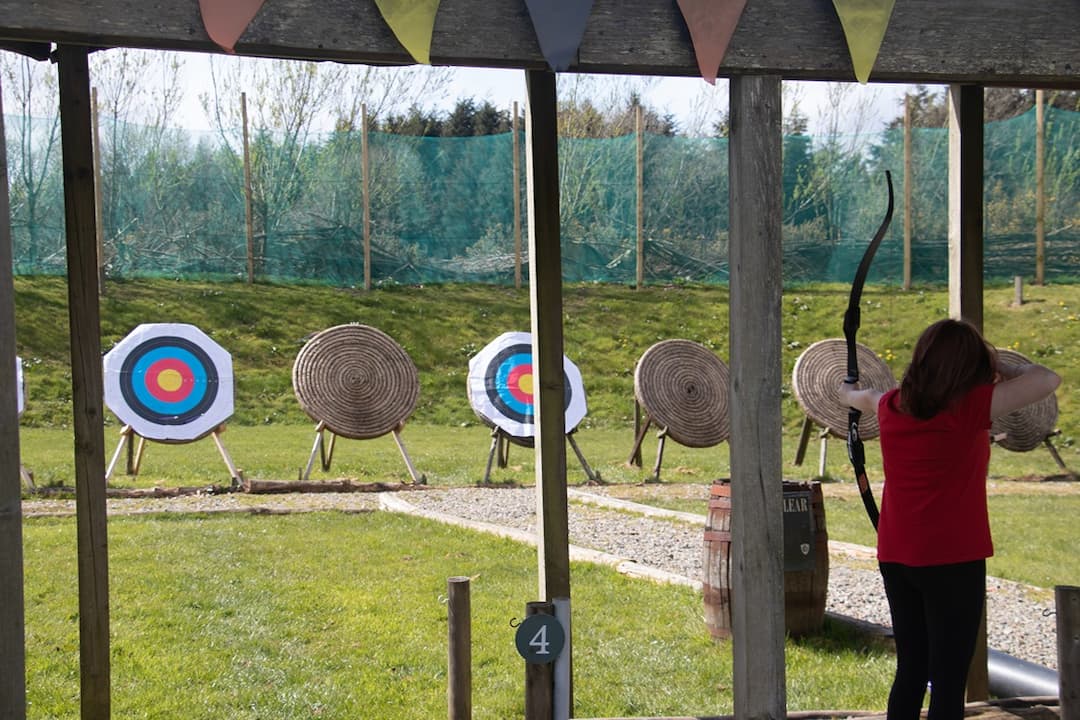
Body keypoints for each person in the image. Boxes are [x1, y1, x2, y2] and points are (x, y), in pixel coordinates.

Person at [837, 318, 1061, 720]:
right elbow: (1046, 379)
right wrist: (998, 363)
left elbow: (856, 396)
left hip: (898, 556)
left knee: (911, 669)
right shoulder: (970, 406)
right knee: (948, 679)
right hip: (953, 559)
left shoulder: (891, 404)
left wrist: (847, 391)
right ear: (969, 365)